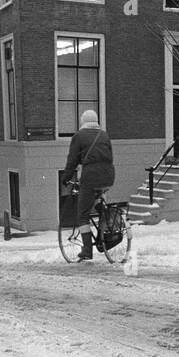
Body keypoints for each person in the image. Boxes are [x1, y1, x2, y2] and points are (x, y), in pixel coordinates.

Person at [61, 110, 115, 260]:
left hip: (90, 177)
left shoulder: (79, 136)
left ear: (82, 121)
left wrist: (66, 177)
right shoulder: (104, 134)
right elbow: (109, 155)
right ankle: (104, 226)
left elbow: (72, 160)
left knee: (82, 216)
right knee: (98, 200)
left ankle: (87, 251)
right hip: (109, 175)